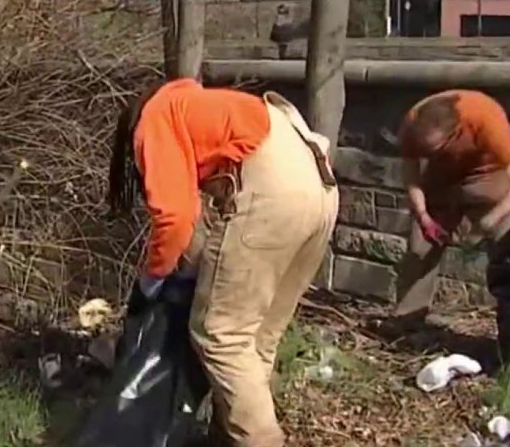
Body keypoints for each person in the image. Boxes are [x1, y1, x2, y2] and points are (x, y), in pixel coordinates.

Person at [107, 78, 339, 447]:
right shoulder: (202, 107)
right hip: (320, 188)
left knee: (221, 334)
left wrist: (150, 282)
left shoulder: (155, 119)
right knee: (257, 336)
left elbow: (175, 218)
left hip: (274, 191)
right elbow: (198, 220)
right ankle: (229, 437)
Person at [386, 89, 510, 332]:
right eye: (425, 151)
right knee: (418, 249)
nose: (426, 153)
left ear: (454, 133)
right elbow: (411, 176)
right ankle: (407, 320)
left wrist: (488, 221)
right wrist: (423, 216)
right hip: (441, 177)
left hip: (487, 173)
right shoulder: (411, 126)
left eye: (432, 149)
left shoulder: (486, 119)